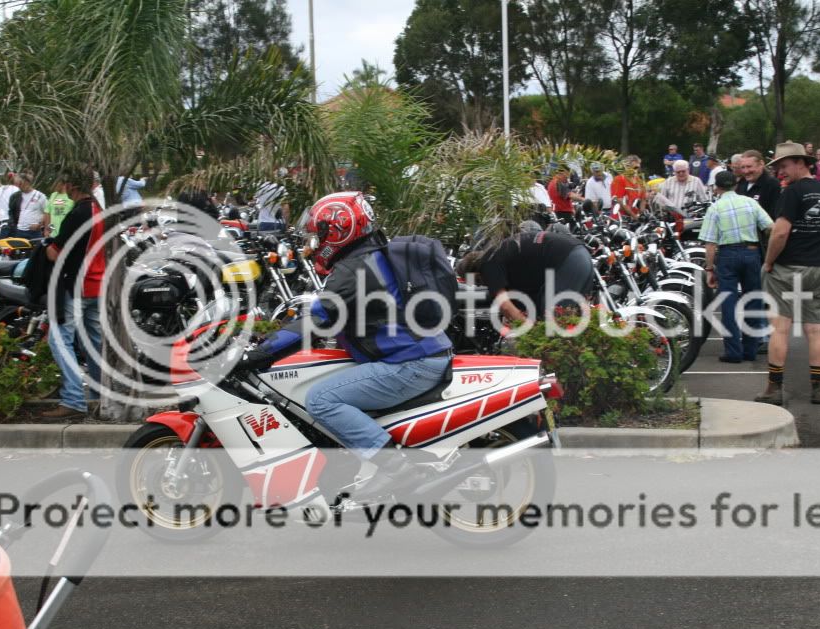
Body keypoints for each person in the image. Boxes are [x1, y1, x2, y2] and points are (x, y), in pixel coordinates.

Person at [239, 192, 452, 497]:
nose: (314, 242)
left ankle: (396, 468)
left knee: (321, 400)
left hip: (410, 363)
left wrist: (259, 352)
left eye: (319, 234)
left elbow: (317, 318)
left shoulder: (355, 270)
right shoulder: (371, 256)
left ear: (339, 230)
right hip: (419, 354)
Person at [755, 141, 820, 405]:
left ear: (802, 162)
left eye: (784, 165)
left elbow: (780, 232)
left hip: (789, 267)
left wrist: (768, 262)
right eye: (777, 167)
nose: (780, 172)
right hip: (818, 265)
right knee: (815, 328)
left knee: (780, 328)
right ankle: (819, 388)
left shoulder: (791, 193)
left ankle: (774, 388)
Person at [40, 167, 106, 420]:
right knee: (94, 343)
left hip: (76, 286)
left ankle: (74, 400)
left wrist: (46, 248)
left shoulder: (78, 212)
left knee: (59, 340)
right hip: (96, 284)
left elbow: (56, 251)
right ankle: (100, 396)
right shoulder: (98, 209)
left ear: (72, 185)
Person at [698, 170, 773, 363]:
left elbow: (710, 244)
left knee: (728, 303)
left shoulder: (715, 208)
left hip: (728, 254)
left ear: (717, 188)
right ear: (735, 184)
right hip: (751, 252)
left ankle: (733, 352)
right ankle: (751, 349)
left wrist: (709, 269)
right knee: (753, 300)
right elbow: (770, 227)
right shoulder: (750, 202)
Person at [458, 230, 593, 322]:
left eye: (478, 281)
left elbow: (505, 306)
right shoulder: (500, 252)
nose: (482, 285)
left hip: (568, 261)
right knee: (572, 319)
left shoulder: (488, 262)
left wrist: (529, 332)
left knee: (553, 323)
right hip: (579, 254)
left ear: (476, 272)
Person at [736, 150, 781, 219]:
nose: (746, 171)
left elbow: (774, 215)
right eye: (743, 167)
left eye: (749, 166)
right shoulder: (742, 183)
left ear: (761, 164)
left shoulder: (772, 185)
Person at [11, 170, 48, 241]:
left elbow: (47, 212)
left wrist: (40, 225)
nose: (19, 186)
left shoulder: (40, 196)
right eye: (17, 184)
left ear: (27, 182)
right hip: (20, 230)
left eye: (20, 184)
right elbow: (12, 211)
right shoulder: (17, 196)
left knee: (35, 251)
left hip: (34, 232)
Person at [44, 173, 73, 238]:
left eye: (57, 183)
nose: (55, 185)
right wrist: (47, 230)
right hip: (52, 234)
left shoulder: (71, 197)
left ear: (64, 184)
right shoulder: (53, 195)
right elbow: (47, 213)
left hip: (65, 235)